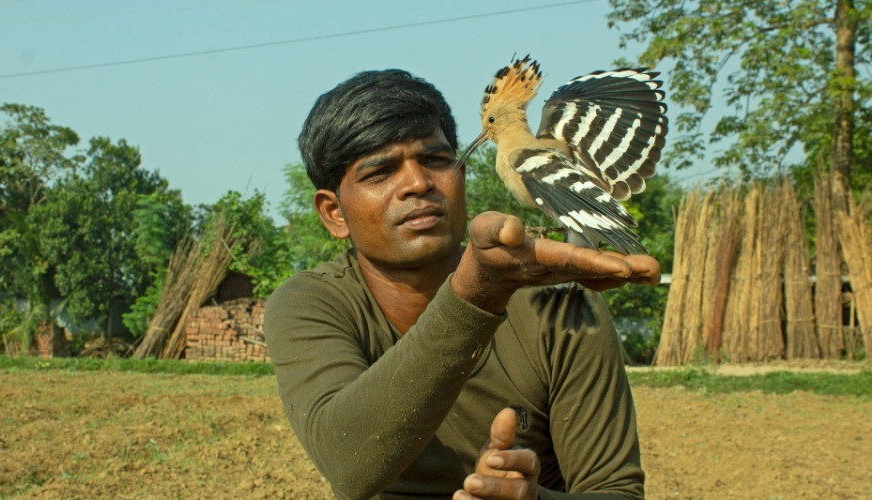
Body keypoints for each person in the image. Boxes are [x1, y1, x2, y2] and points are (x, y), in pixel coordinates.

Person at [264, 68, 660, 499]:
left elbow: (615, 490)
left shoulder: (561, 303)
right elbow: (349, 464)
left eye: (436, 160)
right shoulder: (310, 304)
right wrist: (475, 292)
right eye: (379, 172)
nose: (418, 184)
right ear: (333, 213)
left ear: (463, 176)